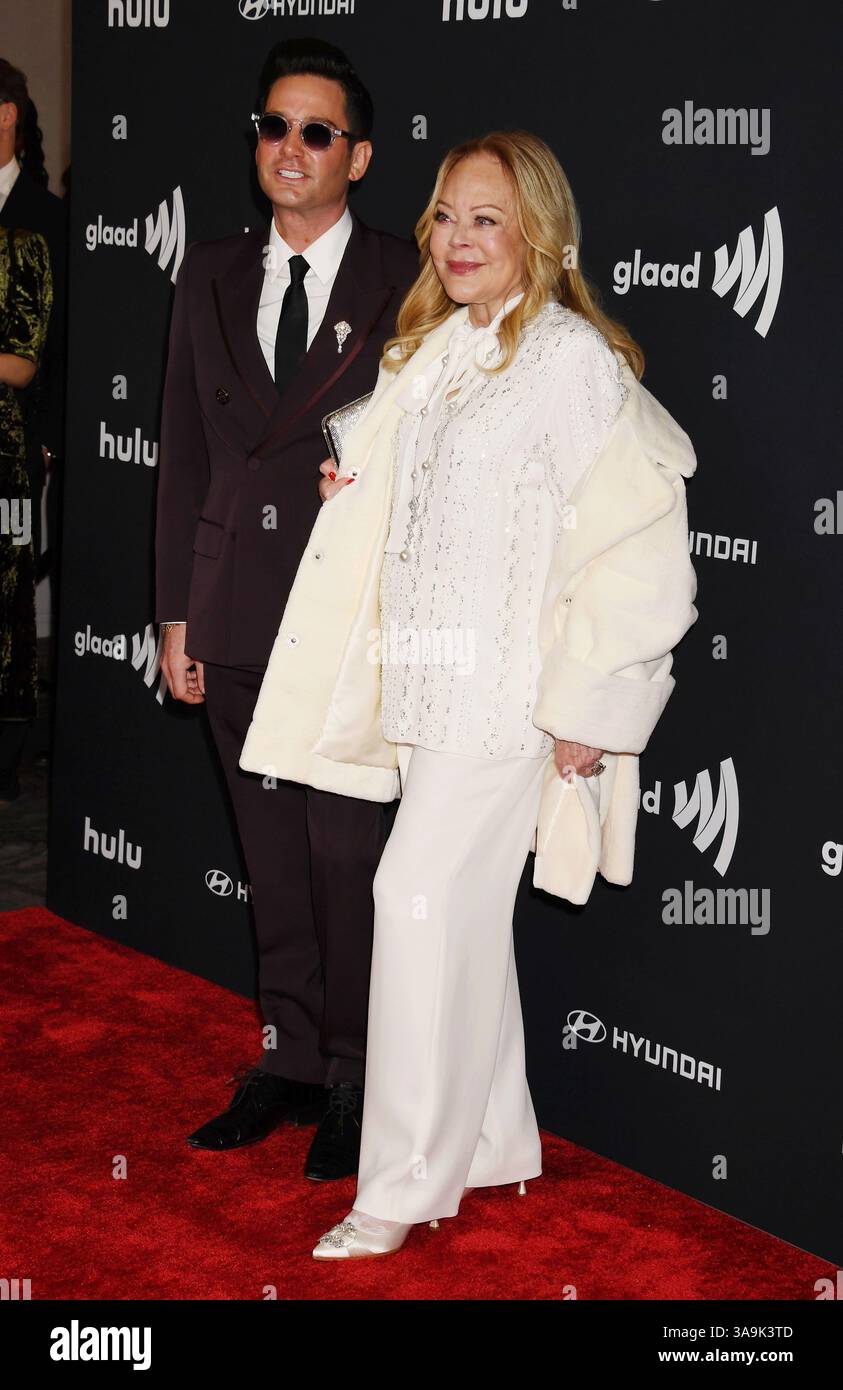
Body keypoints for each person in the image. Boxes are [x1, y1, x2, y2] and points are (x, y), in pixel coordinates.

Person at [239, 130, 698, 1258]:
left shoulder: (570, 360)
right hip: (430, 690)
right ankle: (493, 1138)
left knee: (414, 897)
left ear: (539, 230)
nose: (456, 239)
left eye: (486, 218)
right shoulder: (443, 348)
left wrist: (592, 708)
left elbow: (643, 546)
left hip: (511, 700)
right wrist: (352, 478)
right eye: (446, 215)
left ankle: (398, 1183)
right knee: (463, 917)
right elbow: (402, 479)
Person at [154, 38, 418, 1179]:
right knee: (269, 853)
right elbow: (182, 460)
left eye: (316, 132)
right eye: (272, 126)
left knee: (343, 859)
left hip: (347, 620)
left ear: (356, 155)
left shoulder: (407, 276)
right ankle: (292, 1057)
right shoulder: (209, 269)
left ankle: (361, 1074)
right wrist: (177, 615)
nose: (290, 148)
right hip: (232, 610)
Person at [0, 60, 66, 801]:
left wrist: (49, 438)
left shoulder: (46, 216)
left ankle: (10, 748)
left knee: (12, 598)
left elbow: (58, 344)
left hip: (19, 445)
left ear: (7, 113)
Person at [0, 223, 53, 788]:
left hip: (4, 457)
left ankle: (8, 754)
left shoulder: (23, 244)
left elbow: (24, 362)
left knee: (8, 605)